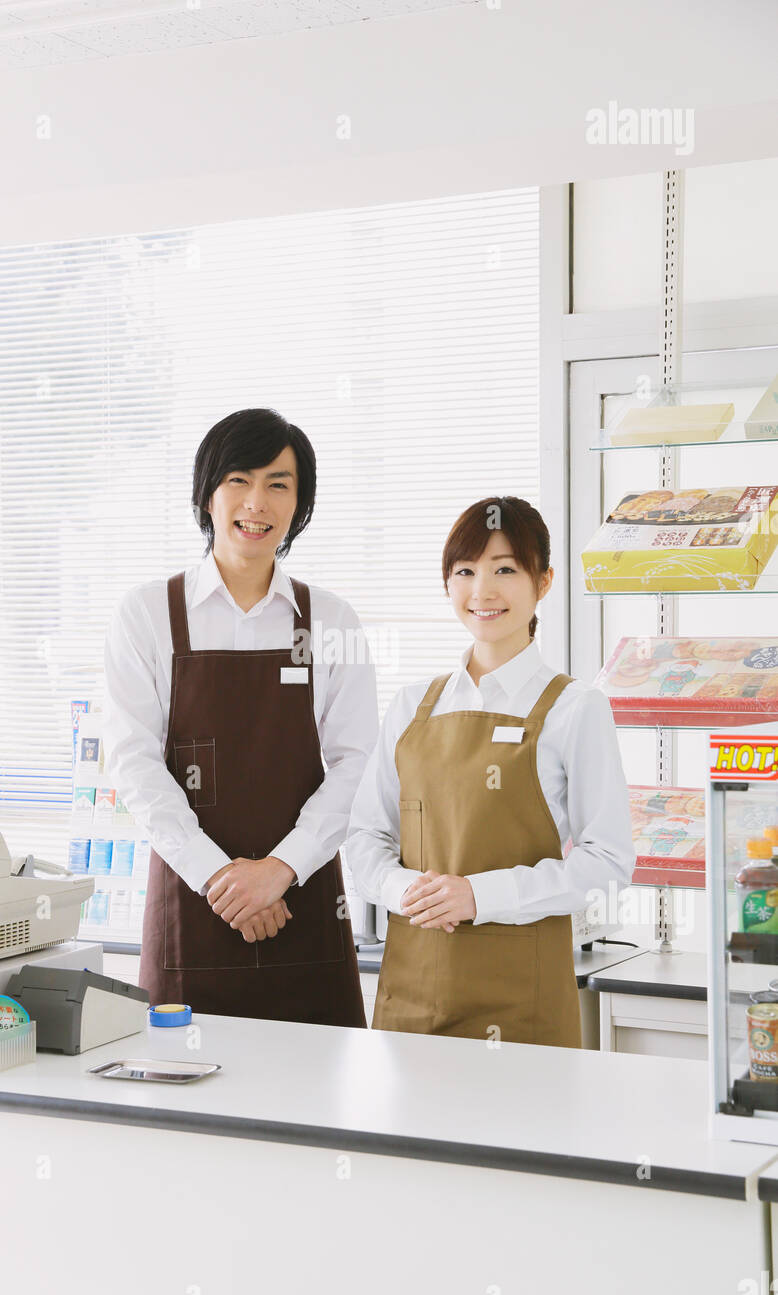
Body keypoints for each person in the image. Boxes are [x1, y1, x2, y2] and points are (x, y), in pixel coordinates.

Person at [103, 408, 377, 1026]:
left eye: (278, 484)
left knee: (320, 1109)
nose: (258, 502)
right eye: (239, 480)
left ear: (299, 505)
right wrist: (222, 879)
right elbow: (135, 765)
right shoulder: (146, 614)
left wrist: (281, 869)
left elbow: (358, 764)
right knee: (183, 1108)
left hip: (304, 908)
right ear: (207, 494)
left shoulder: (334, 621)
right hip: (191, 907)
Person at [345, 495, 636, 1047]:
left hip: (522, 1002)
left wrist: (480, 896)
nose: (482, 590)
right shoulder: (411, 705)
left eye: (505, 569)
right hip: (412, 994)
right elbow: (366, 837)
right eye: (465, 571)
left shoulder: (576, 708)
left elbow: (609, 861)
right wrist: (407, 889)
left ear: (544, 582)